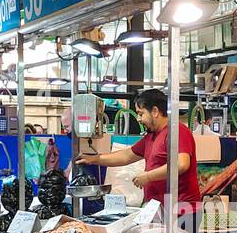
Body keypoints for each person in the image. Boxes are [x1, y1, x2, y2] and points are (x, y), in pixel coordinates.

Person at [76, 88, 201, 216]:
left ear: (155, 111)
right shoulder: (152, 137)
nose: (138, 119)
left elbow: (181, 164)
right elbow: (126, 155)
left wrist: (148, 176)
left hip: (183, 212)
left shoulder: (177, 131)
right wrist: (93, 159)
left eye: (141, 114)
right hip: (161, 211)